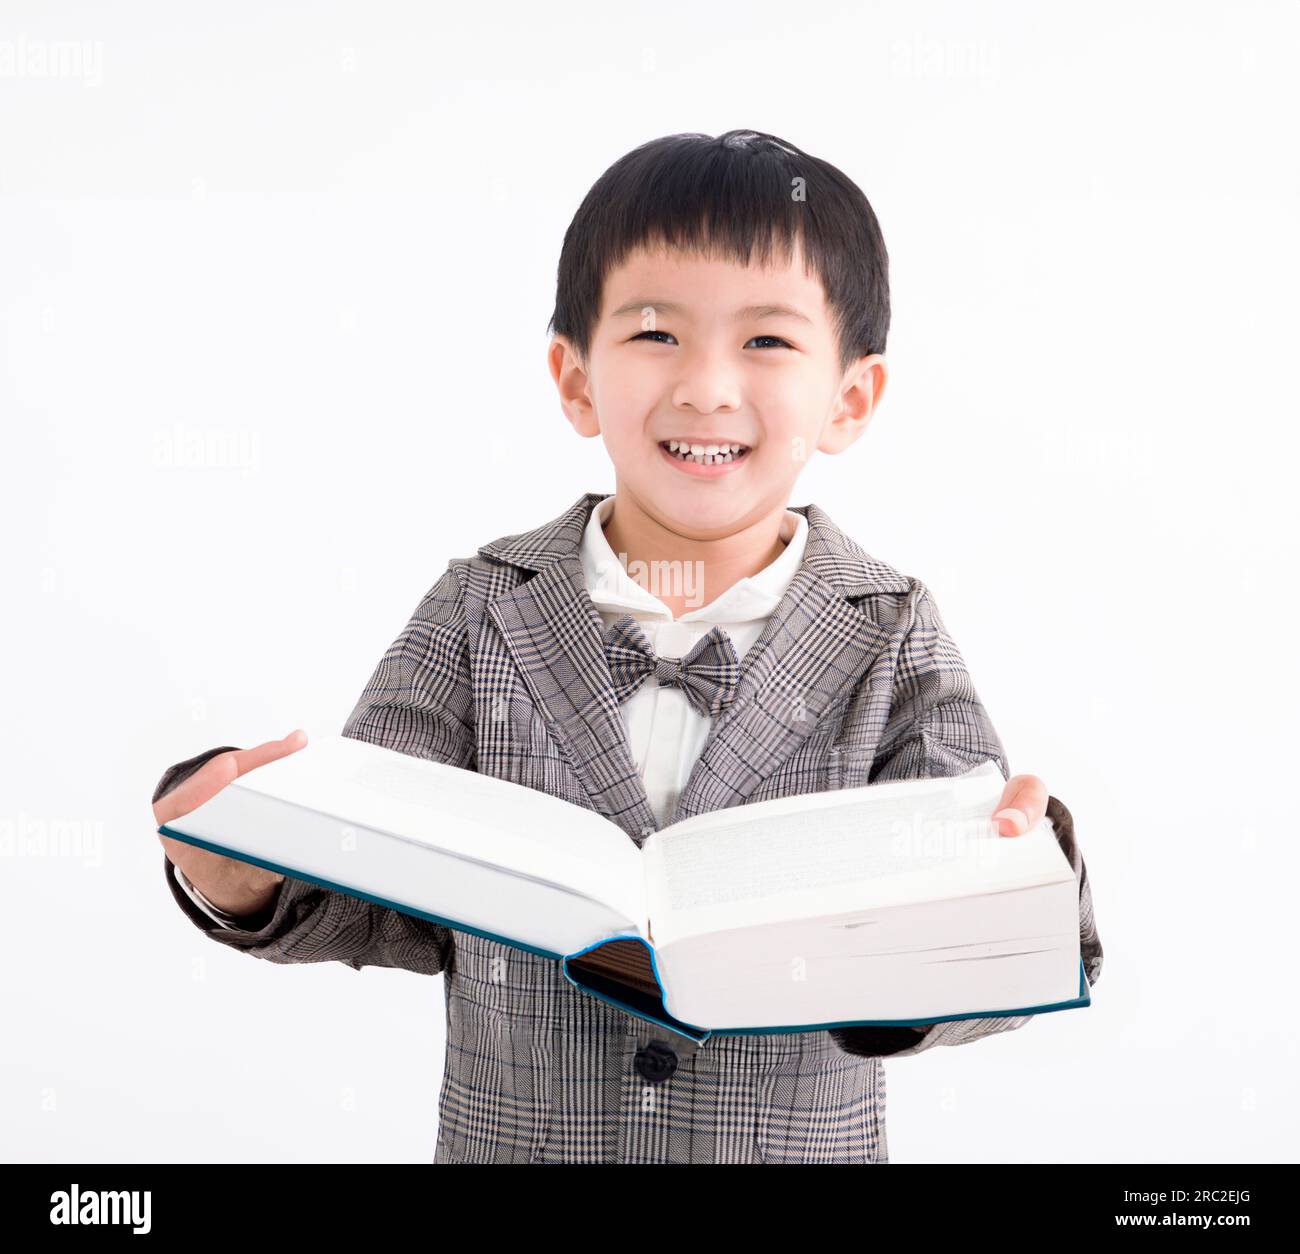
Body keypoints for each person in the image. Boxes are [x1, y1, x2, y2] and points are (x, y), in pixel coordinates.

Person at [152, 129, 1103, 1164]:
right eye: (655, 335)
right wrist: (238, 866)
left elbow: (977, 937)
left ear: (849, 398)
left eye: (767, 343)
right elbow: (384, 894)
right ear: (573, 378)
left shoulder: (888, 629)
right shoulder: (480, 608)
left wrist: (1015, 869)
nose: (704, 386)